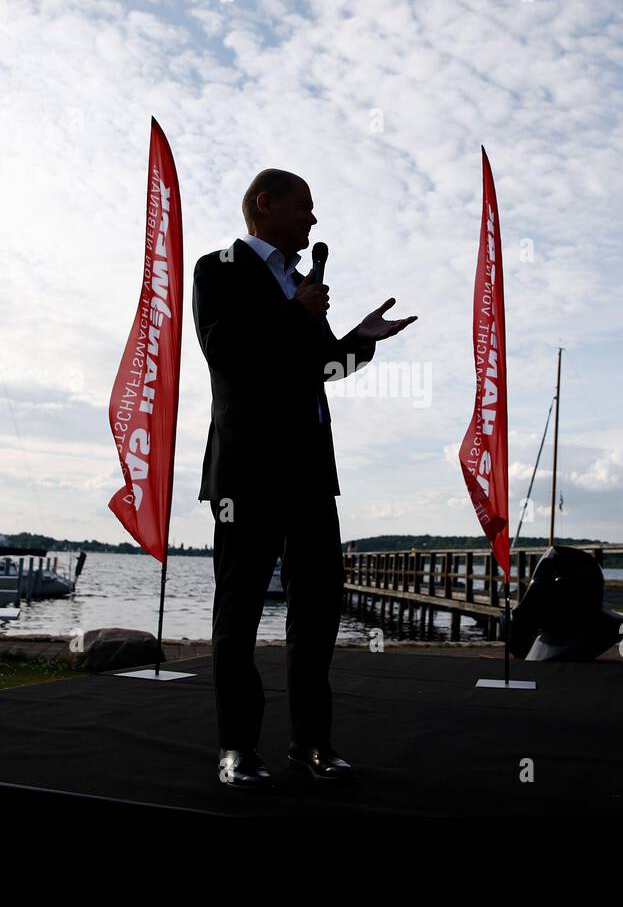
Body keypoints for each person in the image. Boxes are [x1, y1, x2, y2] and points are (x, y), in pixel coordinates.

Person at [193, 169, 416, 790]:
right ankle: (237, 748)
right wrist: (292, 310)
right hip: (246, 471)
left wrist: (361, 342)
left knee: (317, 611)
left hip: (310, 473)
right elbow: (225, 351)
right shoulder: (218, 269)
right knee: (237, 613)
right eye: (304, 208)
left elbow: (319, 369)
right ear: (265, 206)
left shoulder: (300, 286)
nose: (313, 221)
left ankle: (311, 743)